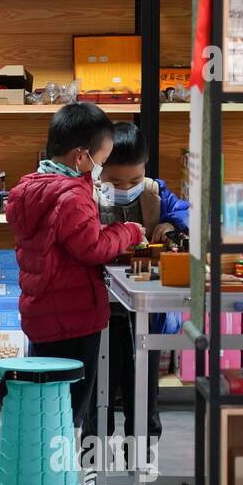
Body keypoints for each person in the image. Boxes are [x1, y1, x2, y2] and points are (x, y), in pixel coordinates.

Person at [5, 102, 145, 485]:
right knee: (73, 411)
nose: (100, 171)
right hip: (76, 317)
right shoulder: (72, 196)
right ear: (81, 156)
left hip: (42, 315)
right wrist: (129, 231)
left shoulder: (32, 187)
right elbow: (92, 248)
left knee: (48, 403)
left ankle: (43, 484)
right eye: (101, 161)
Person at [82, 122, 190, 448]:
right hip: (98, 310)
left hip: (142, 313)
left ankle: (143, 459)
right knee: (97, 391)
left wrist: (172, 224)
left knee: (143, 388)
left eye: (133, 179)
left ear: (145, 169)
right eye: (114, 180)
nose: (125, 186)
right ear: (98, 168)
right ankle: (95, 462)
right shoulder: (85, 196)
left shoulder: (154, 192)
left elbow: (189, 217)